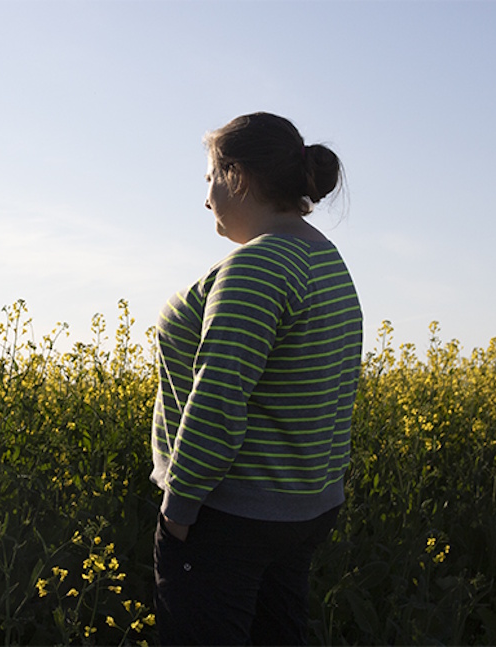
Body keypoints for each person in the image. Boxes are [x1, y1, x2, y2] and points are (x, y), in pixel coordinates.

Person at [150, 112, 362, 646]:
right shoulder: (325, 259)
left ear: (237, 177)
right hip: (303, 509)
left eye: (210, 181)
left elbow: (217, 398)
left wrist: (179, 511)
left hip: (230, 514)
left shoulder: (257, 266)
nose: (206, 200)